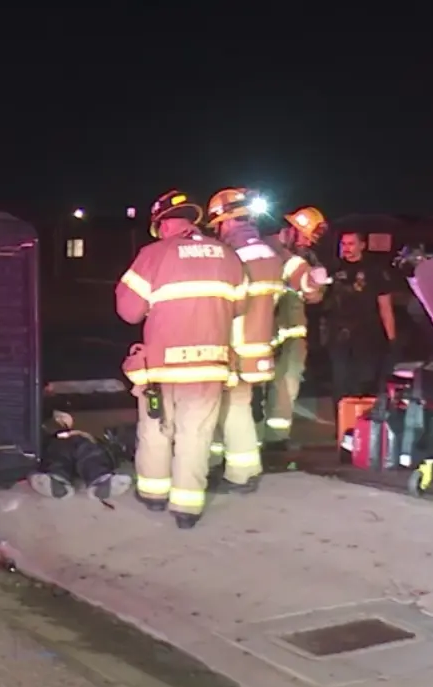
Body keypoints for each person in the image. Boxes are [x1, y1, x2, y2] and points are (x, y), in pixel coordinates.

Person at [116, 189, 246, 529]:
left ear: (161, 225)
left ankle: (153, 494)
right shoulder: (228, 256)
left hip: (162, 367)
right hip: (209, 365)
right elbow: (239, 306)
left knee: (156, 429)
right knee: (196, 435)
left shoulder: (153, 254)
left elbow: (128, 311)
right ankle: (187, 509)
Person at [200, 188, 284, 493]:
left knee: (233, 408)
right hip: (258, 345)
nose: (219, 231)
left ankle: (241, 474)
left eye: (219, 225)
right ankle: (226, 465)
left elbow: (223, 303)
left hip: (233, 345)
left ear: (227, 220)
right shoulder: (269, 253)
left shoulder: (232, 255)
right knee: (236, 406)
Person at [261, 206, 332, 450]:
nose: (306, 243)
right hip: (261, 331)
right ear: (291, 230)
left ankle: (276, 439)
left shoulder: (305, 257)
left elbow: (315, 296)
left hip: (291, 332)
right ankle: (252, 438)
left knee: (287, 384)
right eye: (304, 237)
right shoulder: (268, 249)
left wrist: (315, 282)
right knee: (255, 386)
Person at [323, 232, 402, 399]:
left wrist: (392, 339)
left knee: (362, 381)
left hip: (366, 334)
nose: (346, 248)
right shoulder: (333, 269)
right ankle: (342, 413)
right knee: (340, 380)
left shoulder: (375, 271)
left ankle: (360, 413)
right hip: (338, 332)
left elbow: (385, 307)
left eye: (351, 243)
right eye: (344, 244)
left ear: (362, 245)